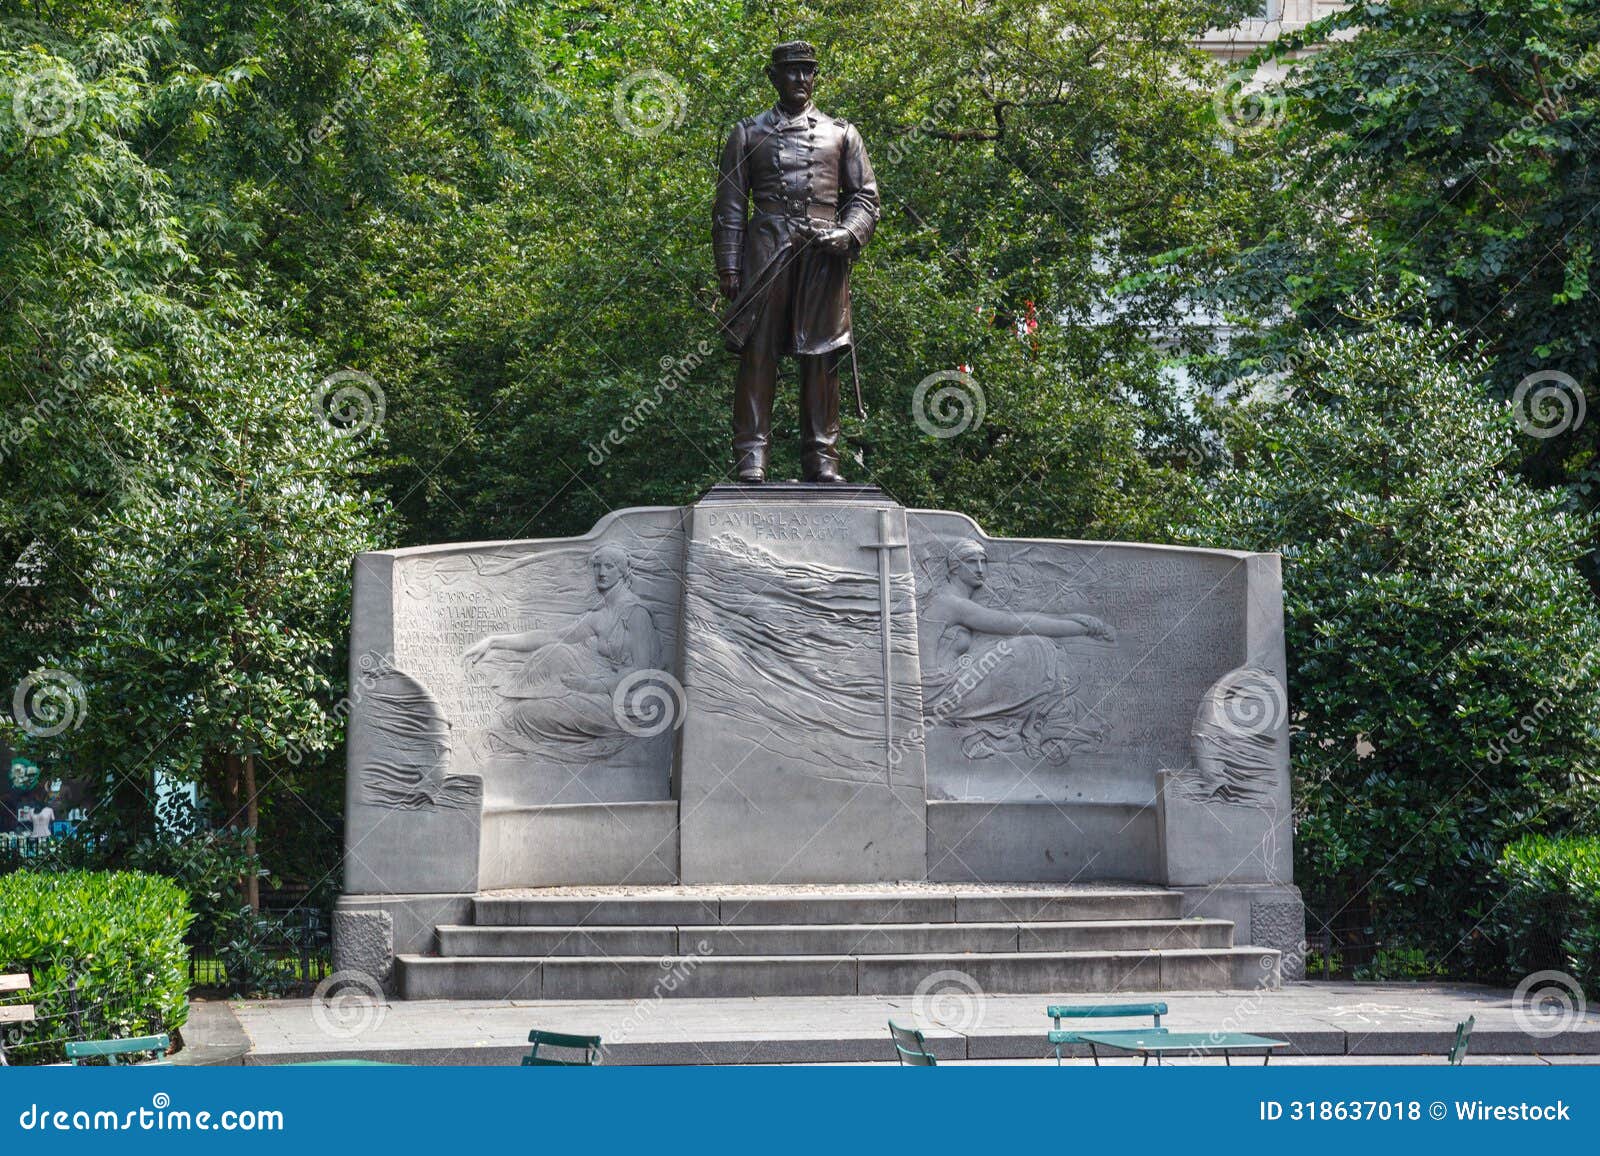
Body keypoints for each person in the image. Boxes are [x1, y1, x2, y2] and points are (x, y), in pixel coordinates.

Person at [712, 40, 880, 483]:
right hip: (766, 253)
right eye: (791, 72)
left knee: (823, 357)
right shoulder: (747, 133)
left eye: (807, 72)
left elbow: (864, 197)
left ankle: (823, 456)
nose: (800, 80)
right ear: (774, 78)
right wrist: (729, 267)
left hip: (823, 257)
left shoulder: (842, 133)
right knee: (758, 353)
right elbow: (730, 206)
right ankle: (751, 455)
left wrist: (848, 233)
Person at [920, 540, 1115, 763]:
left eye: (984, 561)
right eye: (971, 562)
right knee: (1034, 649)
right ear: (954, 567)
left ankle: (1039, 726)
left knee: (1029, 650)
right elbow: (1014, 623)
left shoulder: (951, 600)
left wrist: (1070, 619)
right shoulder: (949, 603)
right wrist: (1080, 627)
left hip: (949, 685)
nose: (980, 568)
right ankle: (1041, 729)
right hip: (939, 694)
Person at [463, 544, 659, 760]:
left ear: (622, 571)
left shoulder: (636, 613)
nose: (602, 572)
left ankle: (508, 729)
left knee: (526, 714)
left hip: (627, 703)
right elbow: (554, 636)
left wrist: (590, 686)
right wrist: (494, 642)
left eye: (610, 566)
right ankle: (510, 698)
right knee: (554, 653)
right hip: (603, 692)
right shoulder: (599, 615)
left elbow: (642, 671)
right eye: (597, 566)